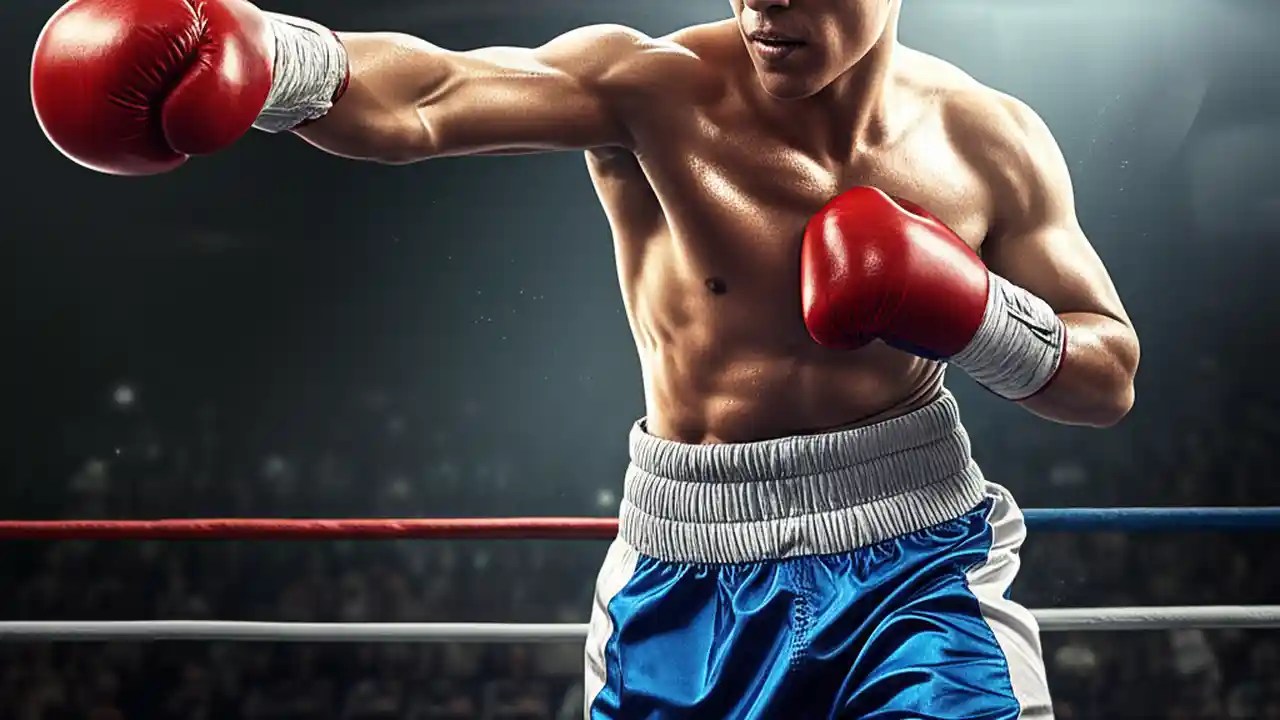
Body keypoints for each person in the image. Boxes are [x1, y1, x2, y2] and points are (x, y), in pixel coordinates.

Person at [31, 0, 1141, 717]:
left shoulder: (988, 139)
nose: (764, 6)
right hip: (681, 574)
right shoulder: (652, 88)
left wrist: (970, 309)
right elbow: (430, 94)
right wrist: (266, 58)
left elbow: (1106, 374)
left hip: (913, 568)